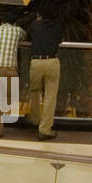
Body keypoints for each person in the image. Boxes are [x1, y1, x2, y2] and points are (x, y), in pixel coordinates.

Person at [26, 9, 62, 140]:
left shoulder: (35, 24)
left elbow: (29, 37)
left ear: (40, 15)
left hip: (36, 61)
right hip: (52, 61)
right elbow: (59, 39)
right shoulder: (57, 24)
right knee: (50, 96)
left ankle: (34, 119)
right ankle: (45, 129)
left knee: (34, 91)